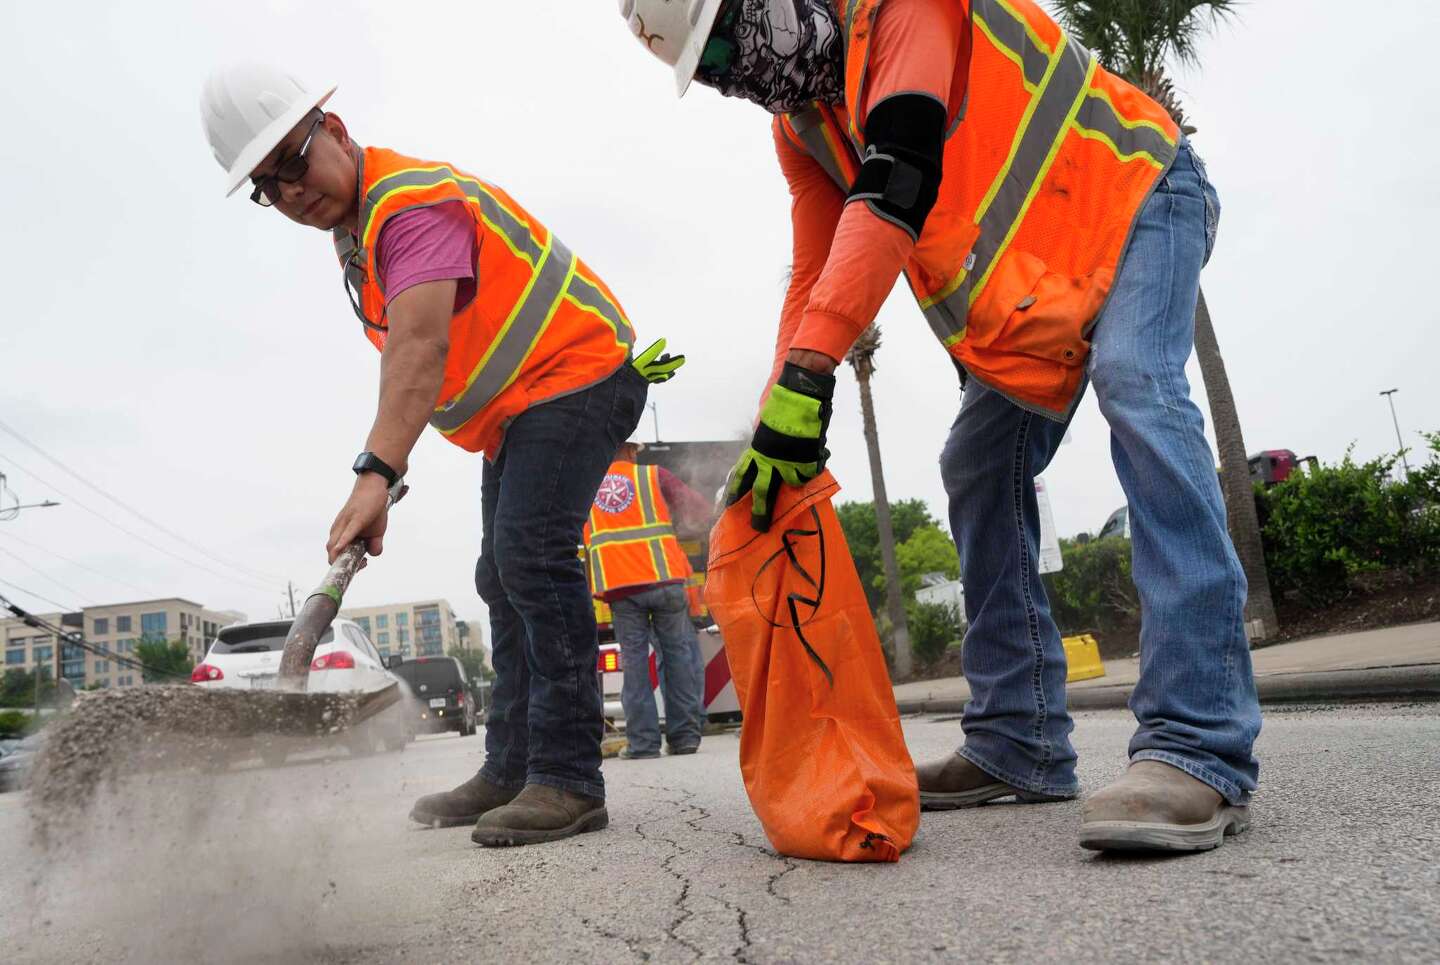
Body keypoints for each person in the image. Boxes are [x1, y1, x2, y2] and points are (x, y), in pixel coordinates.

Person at [620, 0, 1260, 852]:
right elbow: (814, 273)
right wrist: (777, 417)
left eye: (732, 39)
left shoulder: (898, 8)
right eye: (714, 68)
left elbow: (900, 172)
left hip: (1137, 193)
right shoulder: (804, 128)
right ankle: (1019, 738)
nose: (740, 73)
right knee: (976, 461)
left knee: (1136, 382)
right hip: (1046, 283)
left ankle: (1197, 743)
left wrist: (810, 376)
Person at [200, 64, 683, 847]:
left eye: (293, 160)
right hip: (519, 409)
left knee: (531, 554)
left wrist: (376, 472)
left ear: (335, 129)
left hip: (581, 374)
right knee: (499, 573)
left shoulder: (409, 205)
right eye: (266, 185)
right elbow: (419, 368)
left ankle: (567, 776)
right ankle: (511, 764)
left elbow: (420, 349)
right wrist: (387, 478)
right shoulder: (356, 235)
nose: (290, 190)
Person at [585, 440, 712, 759]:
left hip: (621, 587)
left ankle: (643, 743)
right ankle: (684, 738)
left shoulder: (585, 485)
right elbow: (697, 509)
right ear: (630, 451)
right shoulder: (654, 476)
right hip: (664, 579)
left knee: (636, 664)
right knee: (677, 657)